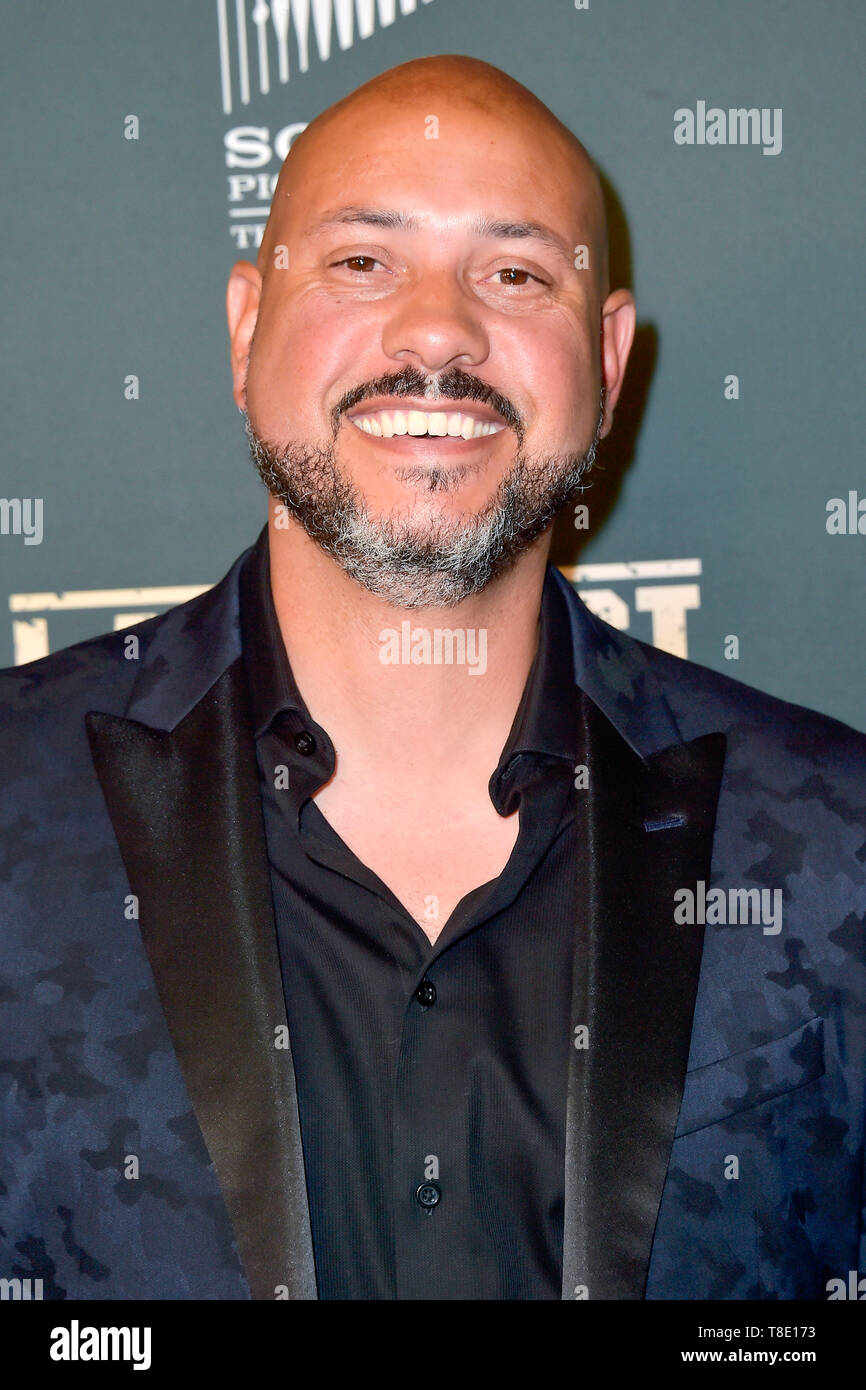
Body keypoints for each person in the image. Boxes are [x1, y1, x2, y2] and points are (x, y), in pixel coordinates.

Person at [1, 54, 863, 1302]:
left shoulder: (831, 838)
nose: (437, 332)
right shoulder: (16, 809)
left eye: (514, 274)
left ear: (607, 362)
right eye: (362, 262)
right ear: (247, 328)